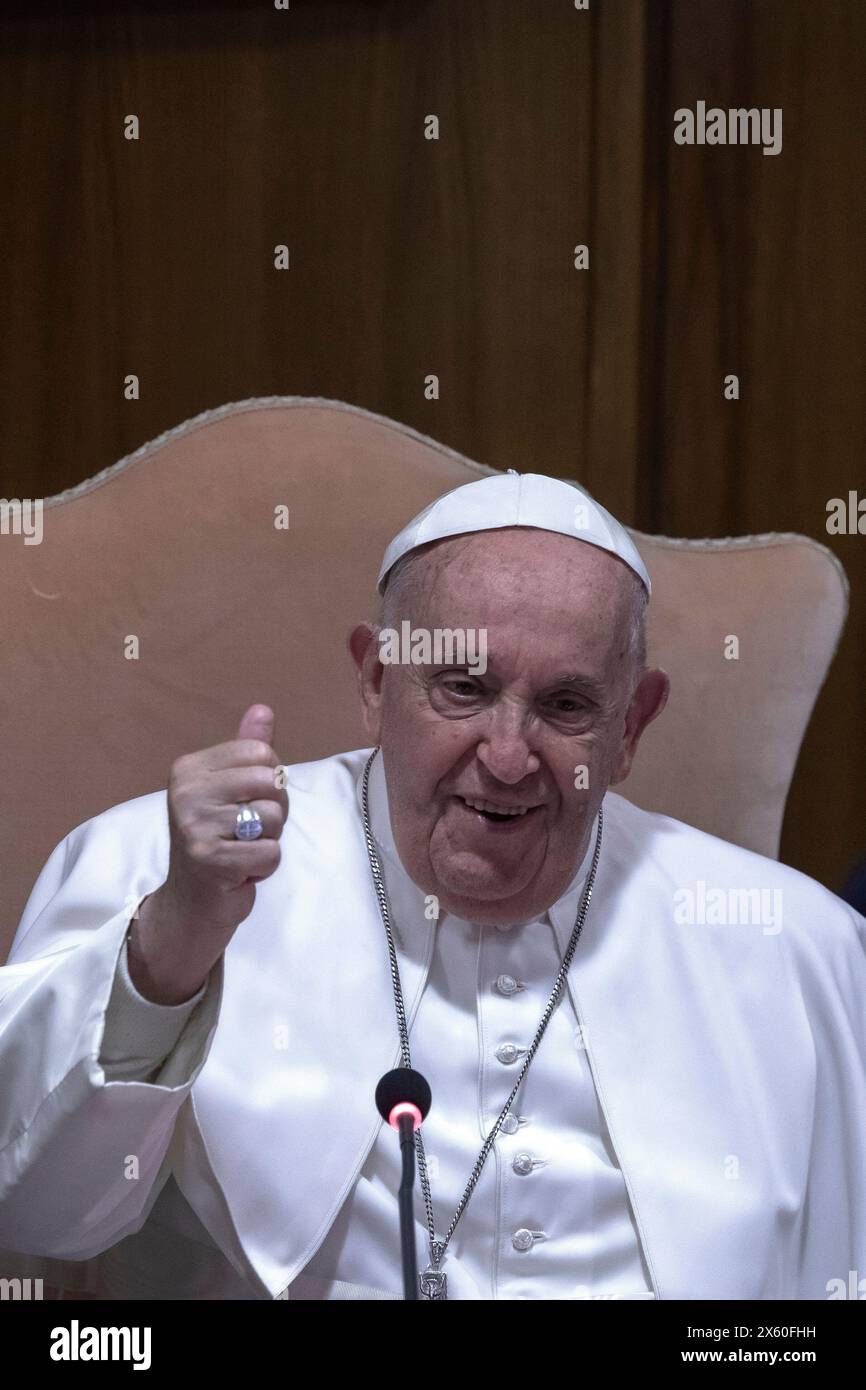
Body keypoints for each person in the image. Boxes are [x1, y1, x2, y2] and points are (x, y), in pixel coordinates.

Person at [0, 472, 864, 1301]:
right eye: (463, 687)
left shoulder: (795, 947)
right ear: (376, 682)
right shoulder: (167, 867)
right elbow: (41, 1212)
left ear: (632, 724)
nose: (508, 757)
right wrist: (172, 946)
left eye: (567, 706)